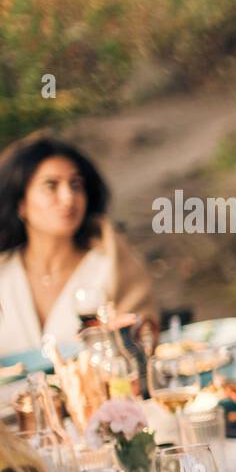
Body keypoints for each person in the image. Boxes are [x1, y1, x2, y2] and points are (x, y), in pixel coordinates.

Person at [0, 136, 158, 357]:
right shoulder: (4, 273)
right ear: (21, 204)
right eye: (51, 186)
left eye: (75, 185)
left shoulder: (109, 266)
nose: (68, 198)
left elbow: (143, 344)